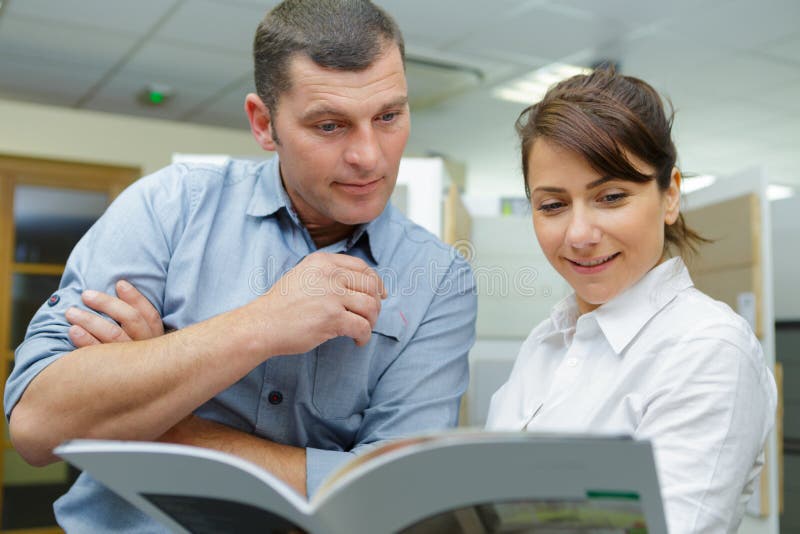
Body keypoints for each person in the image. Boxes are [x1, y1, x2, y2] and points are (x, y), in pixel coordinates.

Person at [3, 1, 476, 532]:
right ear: (264, 123)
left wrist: (160, 414)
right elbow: (38, 427)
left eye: (388, 116)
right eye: (329, 125)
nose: (369, 156)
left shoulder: (440, 278)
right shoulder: (171, 208)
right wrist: (259, 326)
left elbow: (397, 496)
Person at [484, 68, 776, 533]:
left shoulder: (708, 349)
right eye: (553, 205)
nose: (579, 235)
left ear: (670, 195)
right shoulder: (546, 341)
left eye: (611, 196)